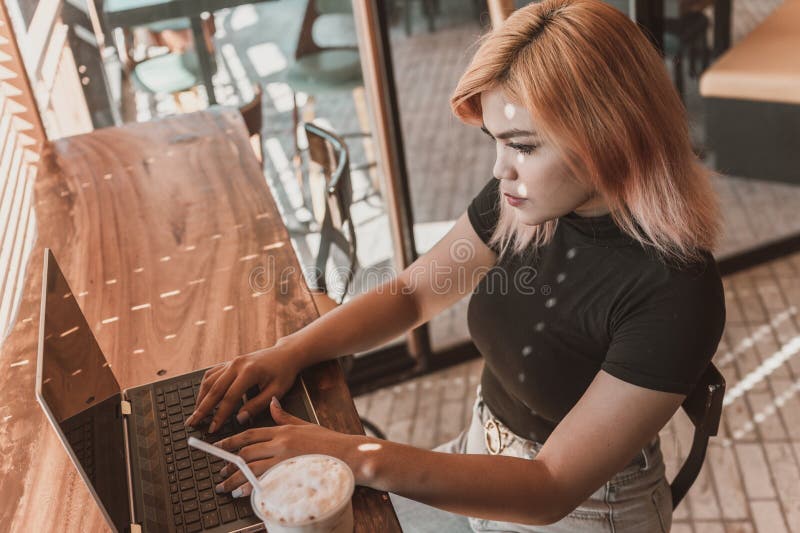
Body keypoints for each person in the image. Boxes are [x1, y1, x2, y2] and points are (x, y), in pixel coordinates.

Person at [186, 1, 726, 531]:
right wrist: (290, 350)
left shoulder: (675, 291)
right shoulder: (523, 205)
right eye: (496, 141)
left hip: (583, 510)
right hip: (481, 453)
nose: (500, 170)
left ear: (611, 136)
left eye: (523, 147)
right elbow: (414, 295)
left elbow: (551, 487)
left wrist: (355, 455)